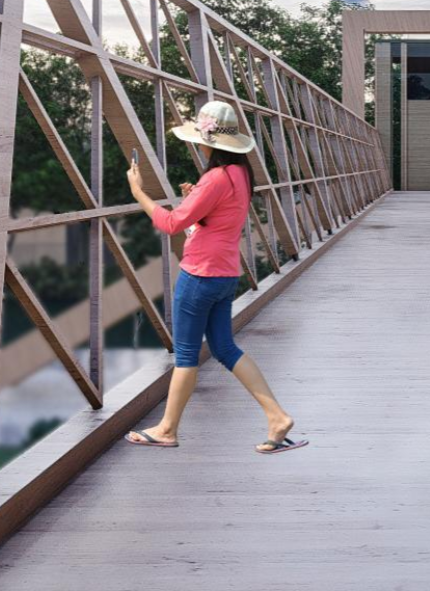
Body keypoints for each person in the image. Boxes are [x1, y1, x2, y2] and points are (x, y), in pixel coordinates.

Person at [123, 100, 306, 455]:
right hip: (225, 275)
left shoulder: (215, 178)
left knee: (186, 354)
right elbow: (218, 216)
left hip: (199, 276)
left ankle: (167, 429)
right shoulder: (240, 174)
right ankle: (277, 417)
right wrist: (195, 198)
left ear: (209, 144)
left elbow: (171, 223)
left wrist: (138, 192)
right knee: (224, 348)